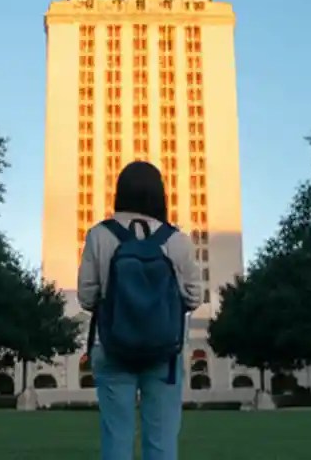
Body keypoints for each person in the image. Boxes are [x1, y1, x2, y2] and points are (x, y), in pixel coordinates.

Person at [78, 160, 203, 460]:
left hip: (112, 346)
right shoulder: (177, 240)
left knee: (116, 438)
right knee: (161, 442)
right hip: (165, 350)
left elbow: (85, 297)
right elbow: (195, 297)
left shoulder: (100, 235)